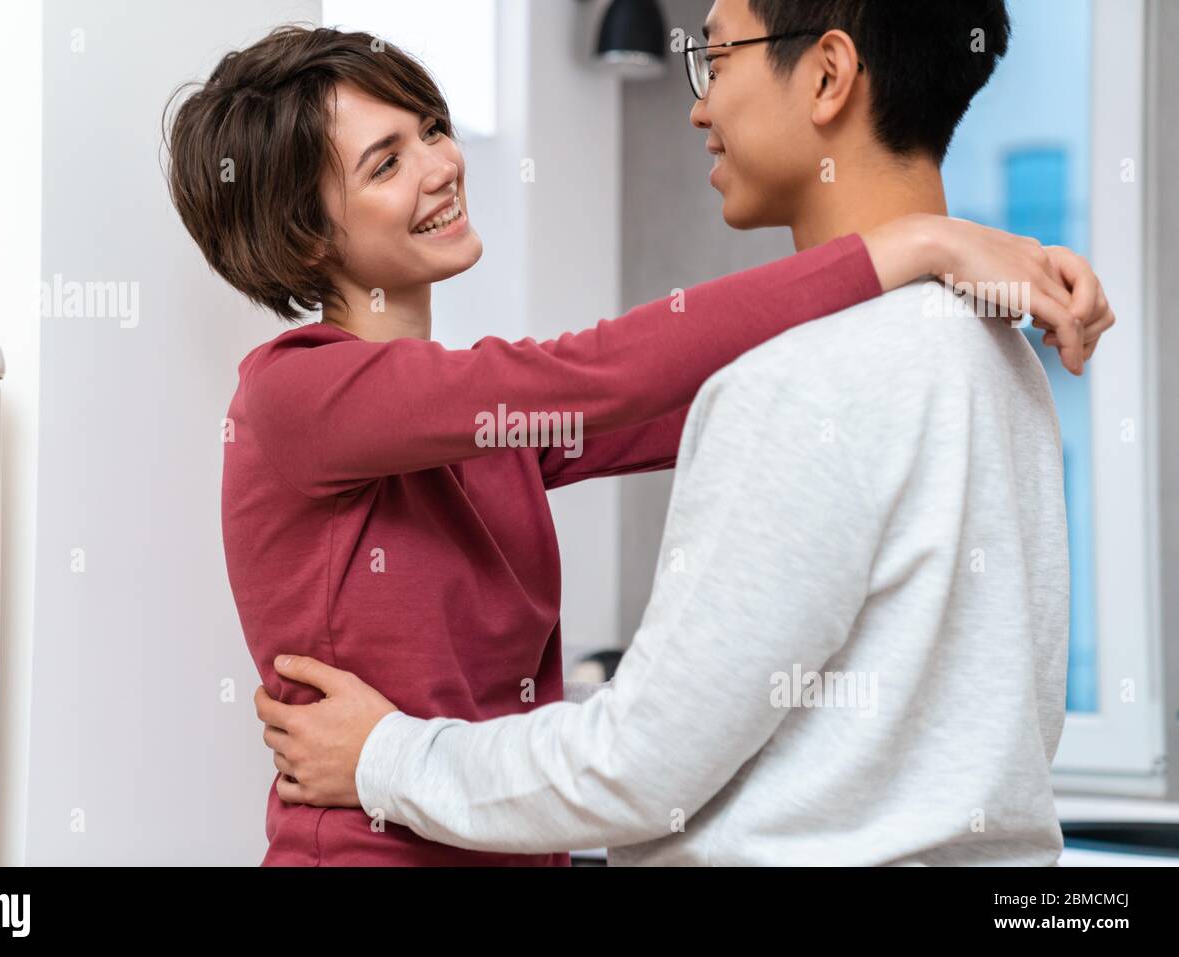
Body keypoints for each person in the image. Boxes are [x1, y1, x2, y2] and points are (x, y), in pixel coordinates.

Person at [257, 0, 1112, 866]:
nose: (697, 105)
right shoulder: (1000, 357)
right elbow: (606, 377)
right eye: (385, 162)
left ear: (826, 76)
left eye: (718, 59)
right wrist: (927, 244)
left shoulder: (814, 378)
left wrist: (940, 254)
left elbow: (659, 390)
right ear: (305, 230)